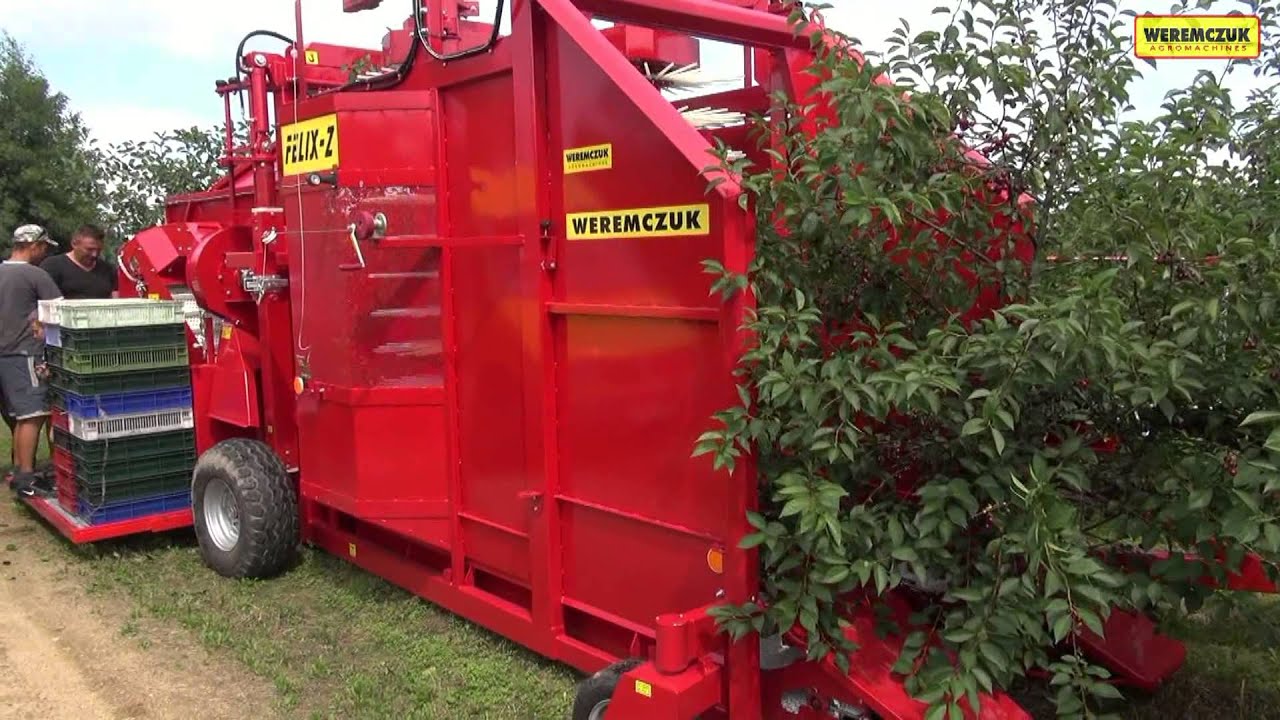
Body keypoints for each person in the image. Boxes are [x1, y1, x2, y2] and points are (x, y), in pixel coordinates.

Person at [0, 224, 63, 495]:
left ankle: (18, 470)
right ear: (33, 245)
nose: (45, 252)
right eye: (44, 247)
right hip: (26, 352)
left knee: (19, 415)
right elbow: (59, 310)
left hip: (5, 354)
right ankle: (27, 478)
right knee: (34, 416)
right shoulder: (34, 274)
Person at [40, 223, 118, 300]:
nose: (94, 254)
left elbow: (116, 299)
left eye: (98, 250)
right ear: (74, 244)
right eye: (89, 249)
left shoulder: (108, 269)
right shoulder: (52, 266)